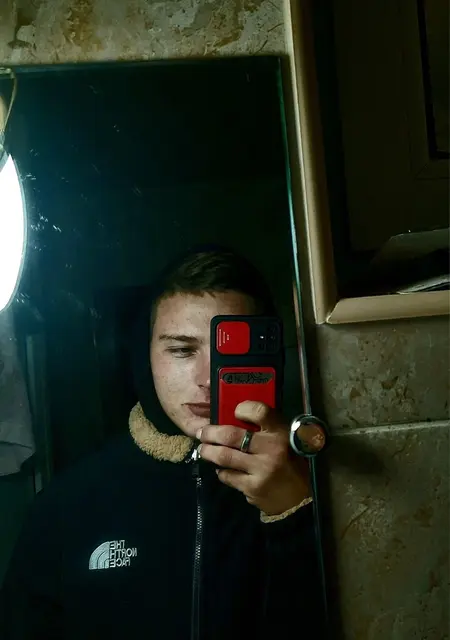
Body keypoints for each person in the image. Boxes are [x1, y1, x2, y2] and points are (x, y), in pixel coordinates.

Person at [2, 246, 327, 639]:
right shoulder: (67, 504)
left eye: (231, 350)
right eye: (182, 350)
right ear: (146, 357)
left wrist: (294, 517)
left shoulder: (319, 485)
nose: (206, 379)